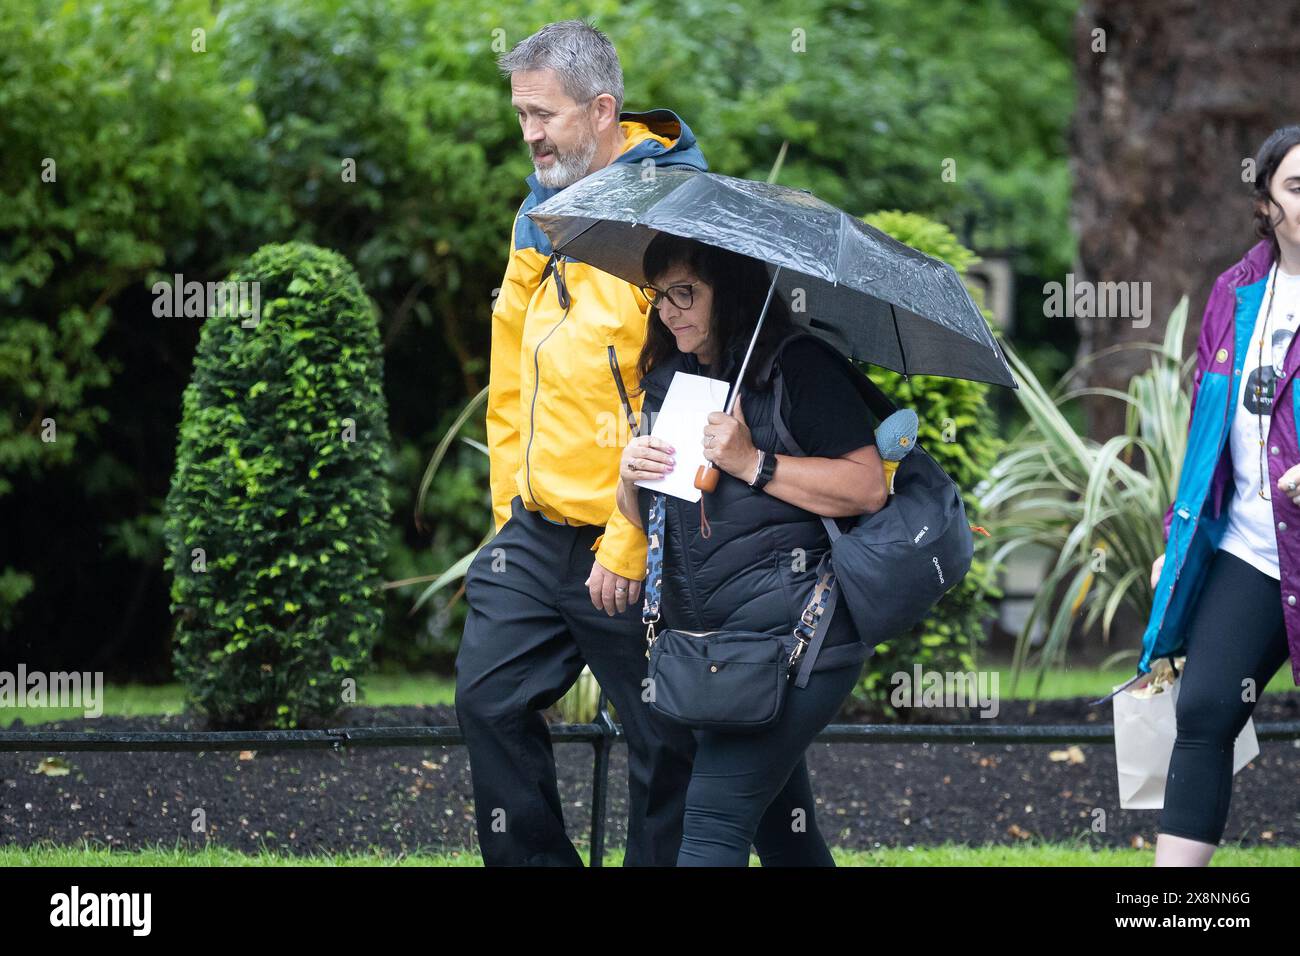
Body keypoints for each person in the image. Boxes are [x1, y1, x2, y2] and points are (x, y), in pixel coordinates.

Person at [454, 19, 708, 866]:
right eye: (520, 114)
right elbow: (513, 372)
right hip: (534, 530)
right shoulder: (539, 203)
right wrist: (505, 516)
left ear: (602, 109)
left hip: (635, 535)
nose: (527, 134)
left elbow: (691, 390)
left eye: (542, 115)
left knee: (666, 739)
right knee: (488, 700)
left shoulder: (677, 212)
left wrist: (630, 537)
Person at [615, 232, 889, 865]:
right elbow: (650, 513)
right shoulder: (674, 381)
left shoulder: (800, 366)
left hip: (803, 634)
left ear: (732, 294)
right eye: (660, 296)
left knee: (709, 825)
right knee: (785, 834)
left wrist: (754, 462)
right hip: (725, 647)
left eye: (687, 292)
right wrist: (630, 478)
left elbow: (867, 487)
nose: (669, 310)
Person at [1142, 125, 1300, 867]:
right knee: (1203, 708)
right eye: (1297, 188)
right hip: (1251, 549)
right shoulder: (1235, 293)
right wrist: (1180, 538)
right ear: (1265, 201)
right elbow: (1211, 436)